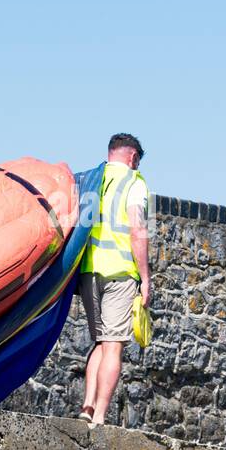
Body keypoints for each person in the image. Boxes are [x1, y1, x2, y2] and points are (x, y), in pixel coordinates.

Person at [77, 133, 151, 425]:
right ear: (133, 157)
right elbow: (137, 230)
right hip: (119, 272)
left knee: (100, 342)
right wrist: (145, 278)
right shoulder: (134, 182)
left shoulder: (93, 181)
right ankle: (101, 418)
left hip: (88, 272)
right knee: (113, 345)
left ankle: (86, 407)